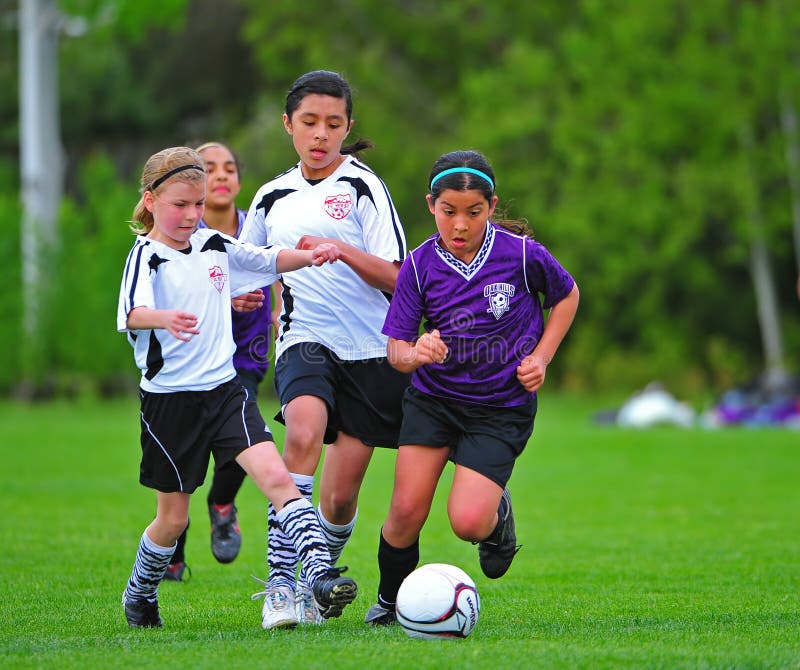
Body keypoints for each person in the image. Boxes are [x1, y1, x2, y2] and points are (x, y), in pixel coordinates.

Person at [117, 146, 357, 629]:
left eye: (198, 204)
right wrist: (165, 318)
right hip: (170, 404)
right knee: (173, 521)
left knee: (278, 481)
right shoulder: (147, 255)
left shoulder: (214, 244)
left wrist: (310, 256)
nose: (191, 215)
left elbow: (266, 258)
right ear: (150, 201)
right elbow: (131, 314)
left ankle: (318, 576)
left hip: (227, 392)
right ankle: (140, 593)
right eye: (180, 205)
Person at [364, 150, 580, 626]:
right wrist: (418, 351)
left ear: (491, 205)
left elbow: (567, 296)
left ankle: (495, 518)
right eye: (448, 212)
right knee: (404, 512)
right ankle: (388, 601)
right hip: (435, 402)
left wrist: (540, 357)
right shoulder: (419, 266)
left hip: (500, 408)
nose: (460, 224)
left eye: (473, 212)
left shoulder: (520, 254)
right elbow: (396, 350)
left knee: (467, 522)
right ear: (430, 205)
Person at [239, 70, 409, 629]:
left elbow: (398, 277)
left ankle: (318, 583)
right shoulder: (270, 198)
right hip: (302, 341)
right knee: (303, 437)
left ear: (348, 128)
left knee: (338, 499)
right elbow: (243, 270)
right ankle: (281, 588)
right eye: (309, 122)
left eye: (333, 124)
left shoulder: (365, 188)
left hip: (368, 351)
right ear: (288, 124)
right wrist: (239, 297)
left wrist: (339, 250)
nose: (320, 135)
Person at [163, 141, 280, 581]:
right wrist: (227, 298)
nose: (222, 175)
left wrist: (277, 313)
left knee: (243, 439)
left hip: (243, 358)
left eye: (230, 167)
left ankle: (222, 503)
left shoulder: (255, 227)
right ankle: (171, 546)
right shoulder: (177, 235)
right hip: (187, 360)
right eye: (209, 168)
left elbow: (274, 272)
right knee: (181, 451)